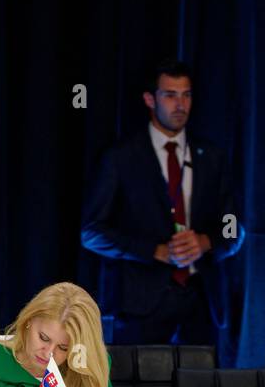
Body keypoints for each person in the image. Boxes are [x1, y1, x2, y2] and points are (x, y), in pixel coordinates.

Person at [81, 58, 244, 344]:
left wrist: (205, 242)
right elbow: (92, 232)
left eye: (186, 95)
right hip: (140, 305)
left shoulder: (212, 156)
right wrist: (155, 251)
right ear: (149, 99)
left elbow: (233, 228)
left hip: (202, 301)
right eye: (170, 95)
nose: (180, 105)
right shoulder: (121, 158)